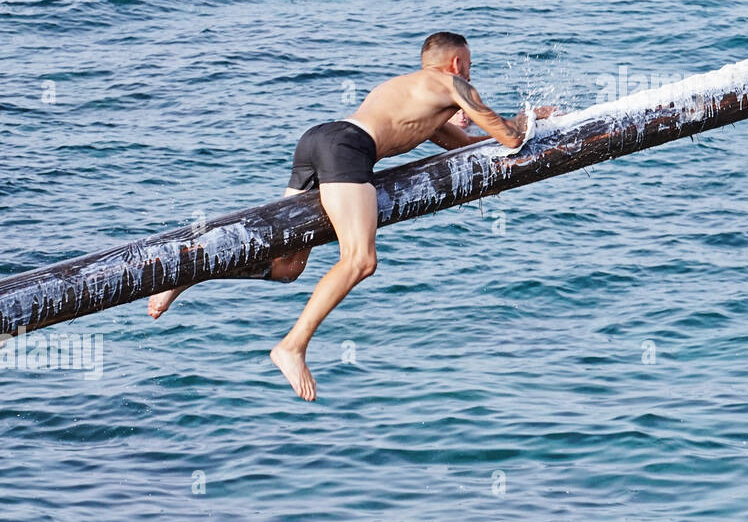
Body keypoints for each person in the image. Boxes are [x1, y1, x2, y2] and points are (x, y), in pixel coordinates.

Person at [148, 31, 554, 400]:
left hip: (319, 138)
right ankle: (291, 346)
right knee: (360, 260)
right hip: (349, 149)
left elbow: (463, 144)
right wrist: (530, 124)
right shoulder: (453, 84)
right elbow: (510, 141)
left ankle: (189, 274)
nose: (470, 72)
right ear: (456, 63)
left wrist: (513, 123)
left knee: (288, 265)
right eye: (470, 64)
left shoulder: (411, 92)